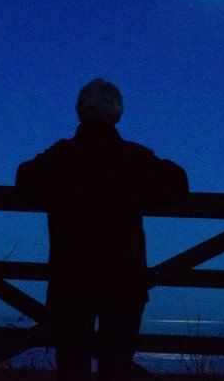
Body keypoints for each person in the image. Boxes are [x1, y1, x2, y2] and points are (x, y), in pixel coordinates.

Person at [16, 79, 189, 379]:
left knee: (71, 366)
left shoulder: (61, 157)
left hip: (70, 280)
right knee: (116, 368)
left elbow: (24, 180)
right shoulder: (133, 158)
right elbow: (178, 184)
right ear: (117, 114)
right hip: (123, 281)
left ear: (80, 112)